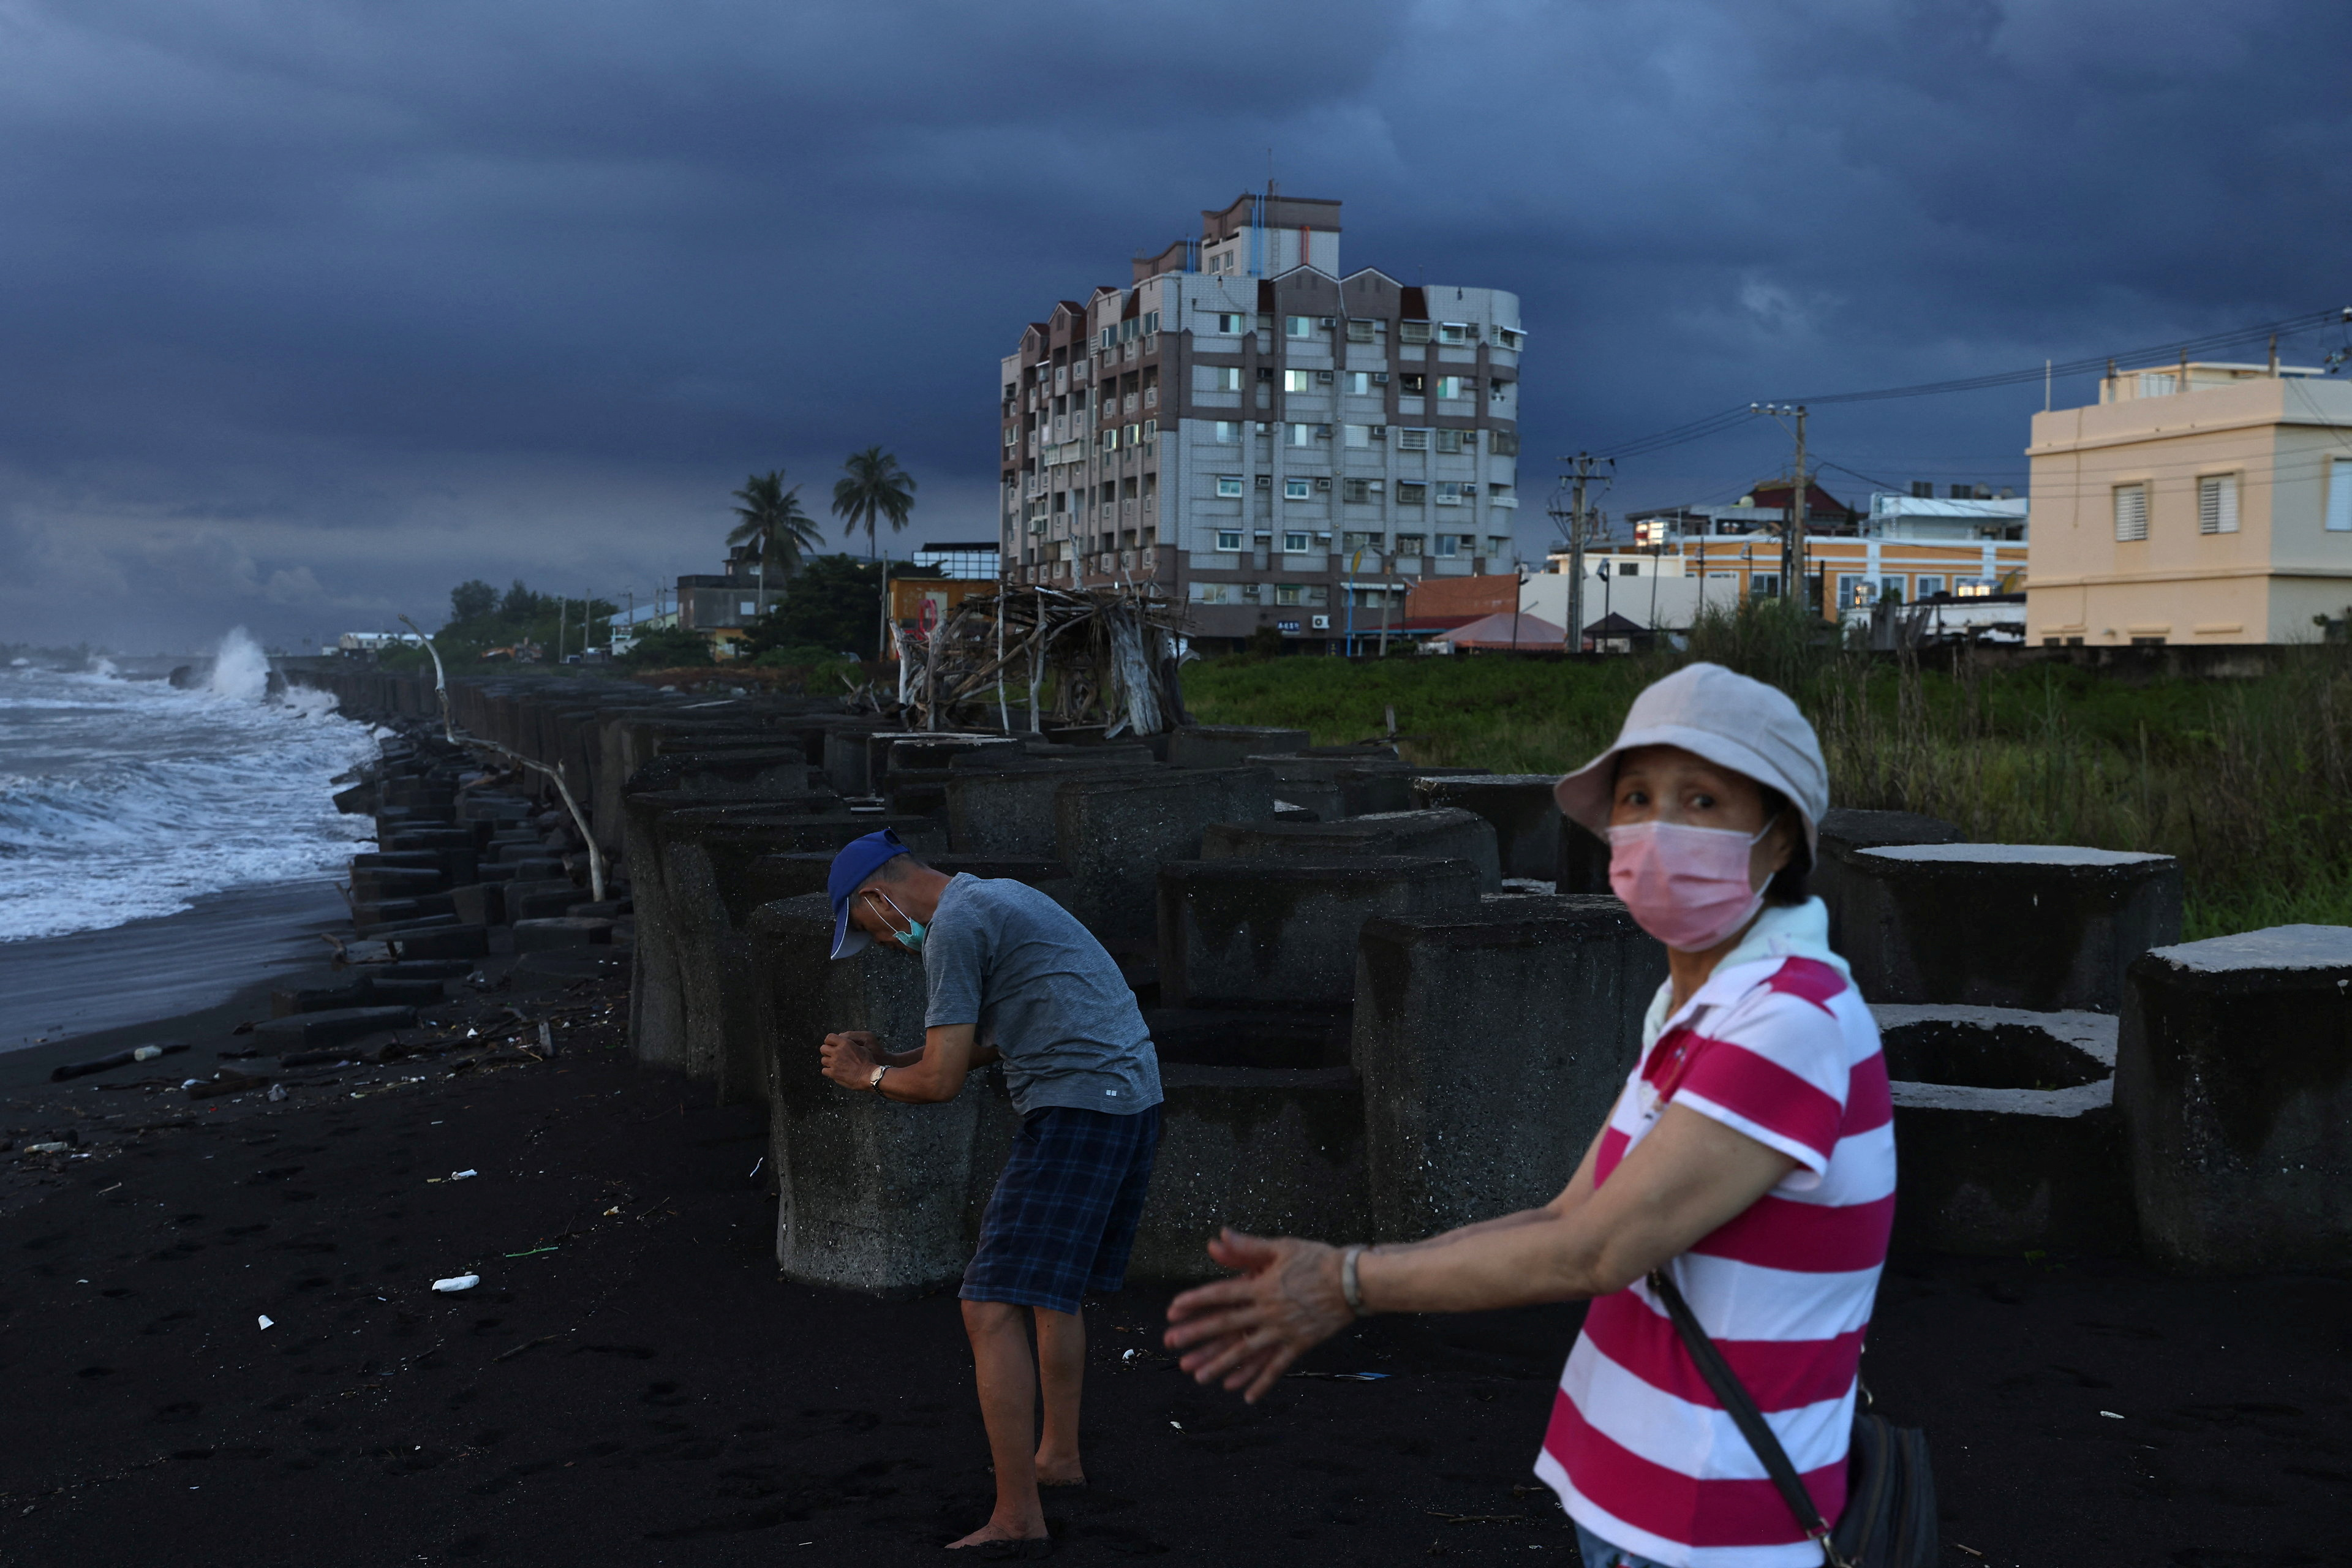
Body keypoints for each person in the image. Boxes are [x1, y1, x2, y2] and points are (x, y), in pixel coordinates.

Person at [1162, 663, 1895, 1568]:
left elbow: (1599, 1252)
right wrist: (1350, 1273)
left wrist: (1349, 1283)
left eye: (1703, 801)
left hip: (1714, 1527)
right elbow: (1566, 1215)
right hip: (1635, 1500)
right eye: (1636, 796)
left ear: (1780, 841)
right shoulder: (1697, 1010)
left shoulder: (1788, 1024)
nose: (1658, 829)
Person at [816, 830, 1163, 1559]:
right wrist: (894, 1056)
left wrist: (865, 1077)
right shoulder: (996, 897)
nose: (883, 944)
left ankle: (1017, 1516)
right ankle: (1057, 1459)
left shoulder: (954, 929)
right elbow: (991, 1042)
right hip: (1129, 1098)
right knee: (1049, 1292)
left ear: (878, 895)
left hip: (1079, 1107)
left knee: (988, 1302)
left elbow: (941, 1085)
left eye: (870, 930)